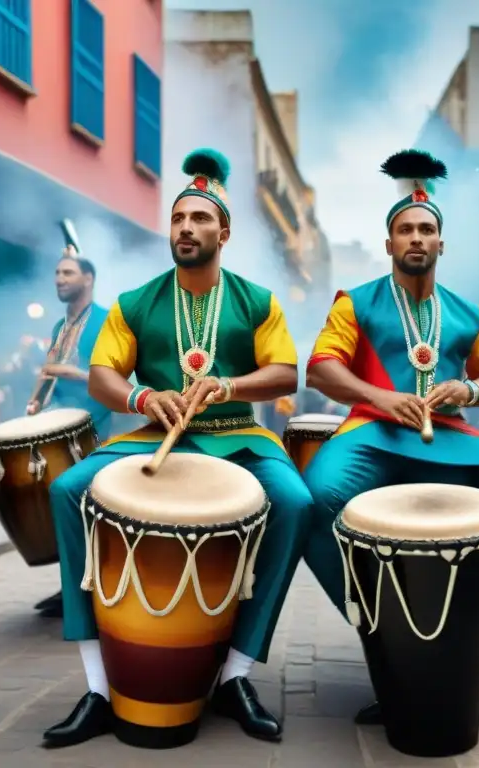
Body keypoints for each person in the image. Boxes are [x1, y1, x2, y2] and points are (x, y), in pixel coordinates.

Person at [300, 150, 479, 735]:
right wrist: (381, 398)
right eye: (406, 230)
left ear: (442, 244)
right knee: (314, 499)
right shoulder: (356, 300)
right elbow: (321, 368)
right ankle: (381, 628)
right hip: (371, 436)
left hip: (452, 438)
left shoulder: (469, 313)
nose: (417, 238)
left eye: (427, 230)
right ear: (390, 242)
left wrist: (471, 389)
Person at [41, 149, 312, 748]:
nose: (185, 227)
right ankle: (97, 688)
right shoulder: (137, 302)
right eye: (177, 219)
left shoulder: (258, 300)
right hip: (150, 433)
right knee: (66, 490)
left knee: (294, 502)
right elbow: (102, 376)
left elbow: (286, 373)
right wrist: (141, 397)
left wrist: (229, 385)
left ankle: (236, 674)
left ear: (225, 231)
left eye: (199, 218)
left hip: (238, 434)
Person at [24, 227, 111, 621]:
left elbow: (118, 376)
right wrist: (35, 400)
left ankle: (91, 587)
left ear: (88, 279)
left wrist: (71, 371)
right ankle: (72, 582)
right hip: (59, 425)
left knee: (87, 507)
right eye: (57, 274)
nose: (59, 280)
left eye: (68, 274)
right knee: (59, 503)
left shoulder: (108, 320)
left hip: (98, 426)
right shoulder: (59, 328)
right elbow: (49, 372)